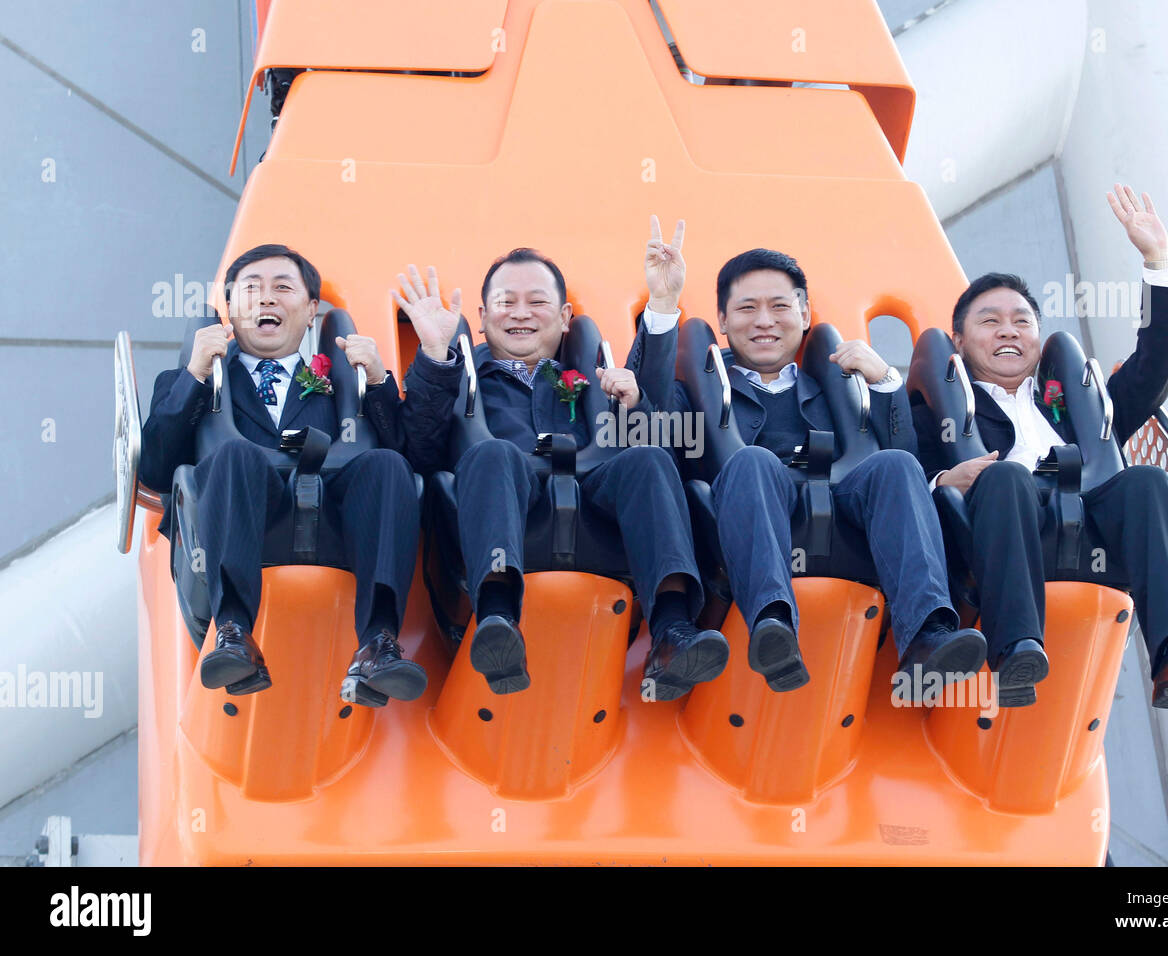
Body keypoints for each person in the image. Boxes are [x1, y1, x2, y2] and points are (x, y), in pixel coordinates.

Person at [911, 186, 1168, 709]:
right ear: (960, 341)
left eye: (1022, 321)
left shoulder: (1078, 406)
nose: (1008, 332)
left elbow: (1157, 368)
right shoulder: (937, 412)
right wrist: (946, 481)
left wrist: (1157, 261)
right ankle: (1016, 650)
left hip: (1091, 520)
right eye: (989, 322)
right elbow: (901, 478)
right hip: (998, 525)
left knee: (1145, 479)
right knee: (1007, 476)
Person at [397, 218, 728, 701]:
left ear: (565, 315)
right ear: (483, 315)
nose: (521, 314)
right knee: (492, 454)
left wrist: (639, 390)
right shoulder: (458, 377)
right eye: (506, 303)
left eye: (537, 303)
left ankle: (673, 632)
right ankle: (496, 621)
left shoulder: (592, 379)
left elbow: (673, 447)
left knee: (652, 458)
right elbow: (418, 449)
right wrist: (432, 355)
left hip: (592, 506)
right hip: (500, 506)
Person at [668, 247, 987, 697]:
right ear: (722, 320)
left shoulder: (835, 387)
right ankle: (772, 627)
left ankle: (927, 637)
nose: (764, 321)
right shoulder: (697, 392)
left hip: (841, 501)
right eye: (747, 308)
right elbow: (654, 420)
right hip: (750, 504)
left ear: (804, 313)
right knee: (754, 461)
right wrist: (662, 311)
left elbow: (904, 457)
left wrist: (884, 384)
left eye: (779, 306)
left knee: (895, 465)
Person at [139, 243, 426, 707]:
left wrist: (376, 382)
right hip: (243, 519)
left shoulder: (340, 380)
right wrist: (194, 374)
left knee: (388, 465)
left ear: (311, 310)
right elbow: (153, 469)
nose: (266, 298)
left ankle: (378, 642)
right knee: (235, 455)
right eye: (251, 289)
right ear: (231, 310)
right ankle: (233, 633)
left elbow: (409, 461)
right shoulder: (190, 380)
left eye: (283, 288)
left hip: (332, 523)